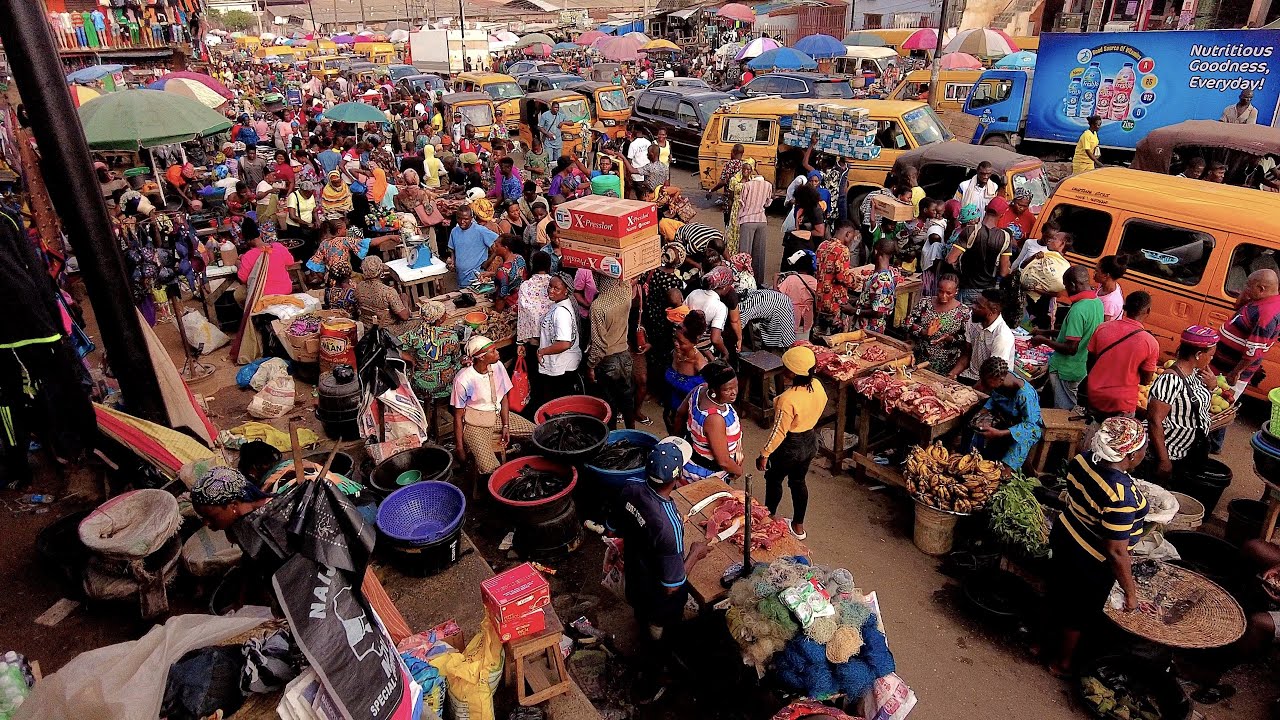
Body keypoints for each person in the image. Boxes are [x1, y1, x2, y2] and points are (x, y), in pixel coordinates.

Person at [605, 437, 709, 704]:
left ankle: (647, 635)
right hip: (660, 598)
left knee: (642, 616)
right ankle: (654, 680)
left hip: (636, 580)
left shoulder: (631, 488)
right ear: (677, 477)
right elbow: (672, 584)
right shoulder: (668, 524)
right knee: (661, 637)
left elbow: (613, 527)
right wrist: (695, 553)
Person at [1046, 416, 1149, 677]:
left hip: (1065, 535)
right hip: (1089, 559)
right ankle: (1062, 664)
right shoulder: (1120, 495)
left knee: (1057, 592)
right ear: (1132, 454)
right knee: (1078, 612)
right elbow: (1115, 550)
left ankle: (1039, 644)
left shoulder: (1082, 460)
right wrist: (1131, 593)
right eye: (1144, 448)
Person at [756, 346, 826, 540]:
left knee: (774, 479)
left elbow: (778, 431)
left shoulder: (788, 399)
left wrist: (765, 453)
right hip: (811, 441)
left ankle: (768, 518)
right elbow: (822, 403)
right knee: (798, 481)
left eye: (785, 367)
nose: (783, 370)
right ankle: (798, 527)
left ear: (793, 373)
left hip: (790, 445)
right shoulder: (818, 386)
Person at [452, 336, 537, 474]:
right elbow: (458, 416)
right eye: (493, 351)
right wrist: (460, 448)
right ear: (481, 358)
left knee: (537, 433)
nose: (497, 353)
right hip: (475, 425)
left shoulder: (498, 366)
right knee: (490, 468)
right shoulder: (463, 379)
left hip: (496, 415)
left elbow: (503, 398)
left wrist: (506, 425)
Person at [1147, 326, 1219, 484]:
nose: (1211, 359)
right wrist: (1164, 461)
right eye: (1211, 355)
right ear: (1199, 354)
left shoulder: (1193, 374)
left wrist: (1211, 387)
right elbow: (1154, 421)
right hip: (1169, 454)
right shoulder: (1170, 380)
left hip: (1186, 453)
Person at [1033, 266, 1104, 410]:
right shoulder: (1097, 303)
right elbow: (1074, 332)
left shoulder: (1078, 310)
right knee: (1046, 401)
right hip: (1078, 366)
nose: (1066, 290)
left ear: (1072, 285)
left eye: (1066, 286)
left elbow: (1071, 348)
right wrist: (1045, 332)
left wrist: (1043, 340)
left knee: (1063, 412)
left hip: (1067, 369)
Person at [1085, 291, 1159, 420]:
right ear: (1148, 311)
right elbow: (1146, 380)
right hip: (1123, 402)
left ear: (1125, 307)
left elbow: (1090, 362)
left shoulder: (1103, 328)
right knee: (1117, 437)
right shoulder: (1150, 342)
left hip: (1095, 394)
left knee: (1091, 431)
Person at [971, 356, 1043, 471]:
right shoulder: (998, 378)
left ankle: (1007, 471)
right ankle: (975, 460)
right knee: (979, 427)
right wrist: (981, 413)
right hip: (1005, 418)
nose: (984, 386)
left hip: (1026, 428)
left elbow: (1030, 425)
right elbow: (994, 400)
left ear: (1001, 379)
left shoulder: (1024, 394)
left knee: (1021, 443)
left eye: (986, 383)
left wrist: (999, 433)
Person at [675, 361, 744, 483]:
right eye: (727, 389)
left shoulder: (700, 389)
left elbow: (680, 414)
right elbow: (723, 461)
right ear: (714, 390)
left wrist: (680, 443)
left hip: (693, 461)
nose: (734, 392)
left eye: (735, 386)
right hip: (707, 476)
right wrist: (738, 471)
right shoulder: (714, 418)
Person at [587, 274, 639, 429]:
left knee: (610, 404)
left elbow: (598, 345)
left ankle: (612, 438)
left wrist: (590, 366)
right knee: (627, 400)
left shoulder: (598, 306)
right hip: (625, 355)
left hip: (607, 360)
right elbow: (627, 280)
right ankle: (631, 432)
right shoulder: (625, 292)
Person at [904, 273, 971, 375]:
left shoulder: (963, 311)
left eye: (948, 293)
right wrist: (923, 332)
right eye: (940, 291)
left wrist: (950, 338)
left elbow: (966, 339)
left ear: (956, 292)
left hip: (947, 364)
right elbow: (907, 323)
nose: (943, 296)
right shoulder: (925, 303)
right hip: (920, 358)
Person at [399, 300, 465, 403]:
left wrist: (410, 358)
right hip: (446, 383)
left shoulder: (414, 335)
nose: (446, 315)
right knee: (462, 363)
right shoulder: (451, 336)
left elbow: (392, 345)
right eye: (444, 313)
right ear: (439, 319)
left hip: (422, 384)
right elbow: (456, 359)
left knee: (407, 372)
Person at [951, 288, 1016, 383]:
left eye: (979, 306)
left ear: (993, 310)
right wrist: (952, 375)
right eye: (975, 302)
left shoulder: (1002, 336)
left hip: (990, 383)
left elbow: (994, 376)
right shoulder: (973, 319)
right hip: (970, 375)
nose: (973, 307)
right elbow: (966, 354)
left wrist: (970, 391)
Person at [537, 276, 584, 400]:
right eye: (550, 286)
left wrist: (541, 352)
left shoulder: (561, 312)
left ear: (566, 291)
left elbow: (564, 344)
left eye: (556, 288)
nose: (551, 290)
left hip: (562, 365)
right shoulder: (559, 305)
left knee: (559, 401)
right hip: (562, 363)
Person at [815, 221, 860, 333]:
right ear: (848, 234)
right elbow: (842, 277)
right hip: (835, 303)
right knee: (836, 337)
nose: (852, 241)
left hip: (820, 300)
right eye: (852, 238)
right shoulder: (842, 250)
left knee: (820, 333)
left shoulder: (822, 245)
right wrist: (855, 280)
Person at [736, 160, 772, 287]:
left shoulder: (747, 186)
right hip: (762, 220)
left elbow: (742, 203)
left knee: (745, 253)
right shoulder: (768, 185)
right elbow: (768, 203)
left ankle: (743, 281)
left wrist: (737, 219)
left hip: (747, 221)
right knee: (759, 254)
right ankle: (759, 281)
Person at [237, 217, 295, 296]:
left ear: (248, 240)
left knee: (238, 295)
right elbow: (290, 261)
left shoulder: (248, 256)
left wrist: (238, 264)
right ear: (260, 234)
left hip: (263, 294)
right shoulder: (278, 247)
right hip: (285, 289)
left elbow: (243, 278)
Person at [685, 266, 732, 359]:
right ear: (724, 287)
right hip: (701, 351)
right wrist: (725, 352)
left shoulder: (694, 293)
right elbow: (715, 339)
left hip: (685, 342)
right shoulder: (720, 307)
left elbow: (682, 316)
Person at [447, 206, 499, 287]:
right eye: (459, 218)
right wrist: (452, 262)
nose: (462, 221)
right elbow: (452, 250)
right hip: (460, 276)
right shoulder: (454, 231)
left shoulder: (480, 230)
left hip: (476, 277)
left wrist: (487, 263)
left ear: (472, 218)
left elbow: (498, 247)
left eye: (466, 219)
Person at [854, 238, 897, 333]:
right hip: (864, 325)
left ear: (876, 251)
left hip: (871, 329)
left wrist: (854, 311)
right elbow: (871, 297)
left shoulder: (883, 280)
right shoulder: (881, 273)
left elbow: (878, 312)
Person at [355, 256, 410, 327]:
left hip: (367, 328)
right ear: (381, 270)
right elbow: (405, 316)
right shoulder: (388, 292)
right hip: (387, 331)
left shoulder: (359, 287)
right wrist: (405, 301)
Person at [777, 253, 819, 341]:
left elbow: (779, 296)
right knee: (803, 342)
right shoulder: (814, 282)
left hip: (789, 315)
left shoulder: (790, 279)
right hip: (807, 316)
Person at [487, 234, 526, 310]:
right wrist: (492, 274)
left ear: (505, 248)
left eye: (497, 246)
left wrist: (497, 315)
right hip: (522, 302)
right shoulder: (519, 258)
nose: (494, 247)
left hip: (510, 306)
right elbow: (513, 277)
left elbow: (502, 296)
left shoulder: (502, 271)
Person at [1093, 255, 1127, 321]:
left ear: (1106, 275)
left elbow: (1103, 326)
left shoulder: (1110, 302)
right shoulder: (1108, 285)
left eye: (1097, 271)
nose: (1094, 273)